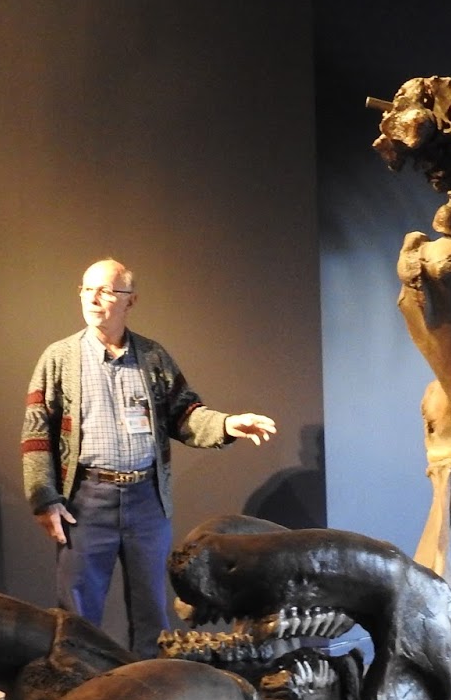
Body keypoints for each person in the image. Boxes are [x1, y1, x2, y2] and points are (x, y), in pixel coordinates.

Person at [22, 258, 276, 657]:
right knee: (77, 609)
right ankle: (76, 692)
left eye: (106, 290)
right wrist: (44, 498)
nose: (94, 298)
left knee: (151, 610)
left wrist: (228, 425)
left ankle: (148, 694)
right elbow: (36, 430)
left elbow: (186, 413)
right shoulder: (59, 359)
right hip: (85, 500)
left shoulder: (152, 357)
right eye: (87, 289)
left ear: (130, 300)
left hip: (146, 500)